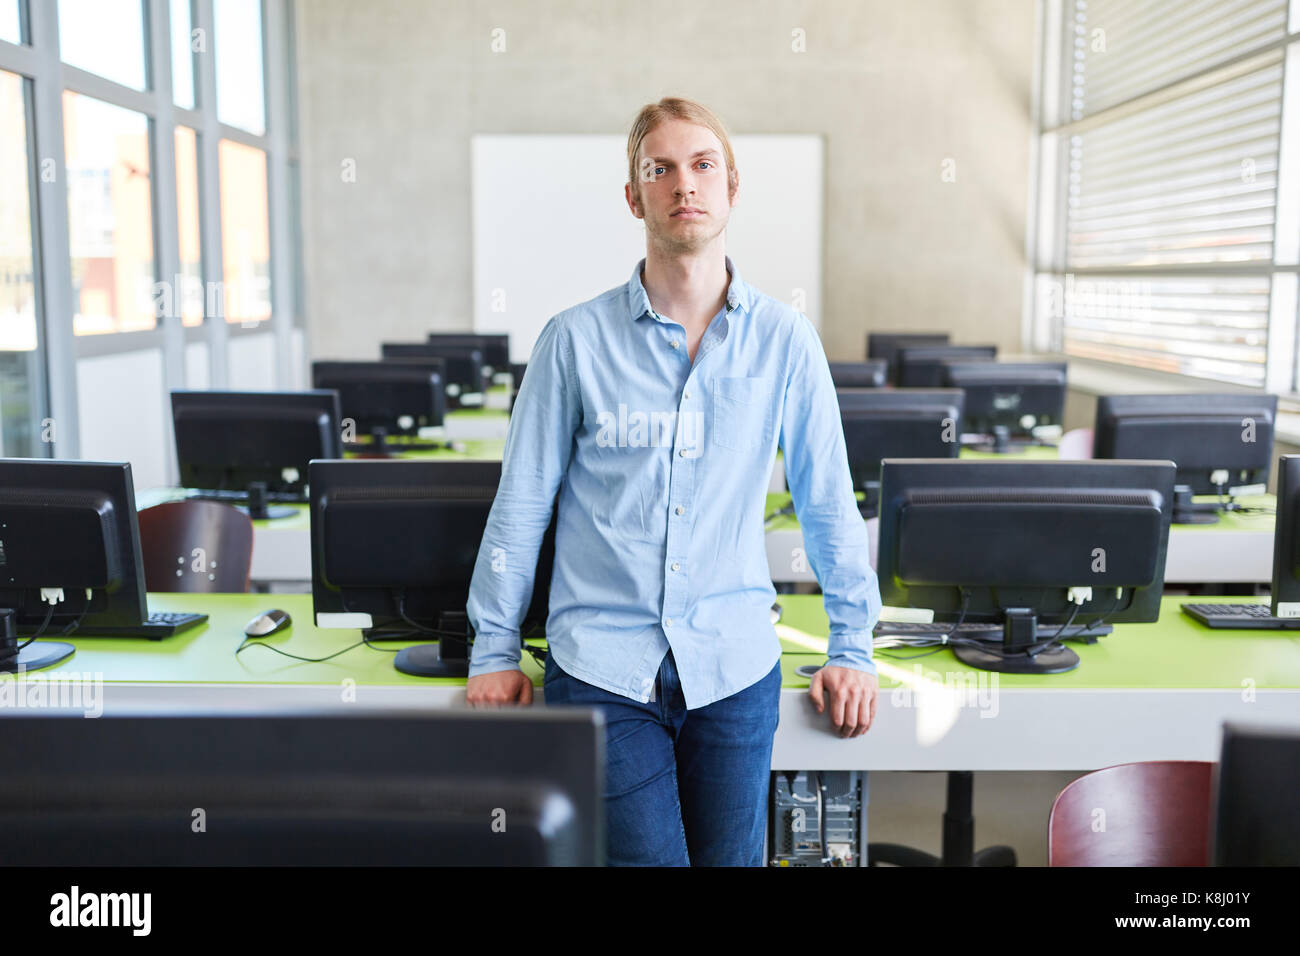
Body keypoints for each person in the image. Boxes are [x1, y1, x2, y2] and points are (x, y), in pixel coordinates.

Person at [466, 97, 881, 866]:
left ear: (730, 188)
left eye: (702, 165)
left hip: (733, 668)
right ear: (634, 197)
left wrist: (852, 645)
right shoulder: (574, 341)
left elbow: (829, 502)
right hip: (602, 668)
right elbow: (521, 506)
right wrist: (494, 648)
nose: (682, 184)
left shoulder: (786, 341)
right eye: (659, 169)